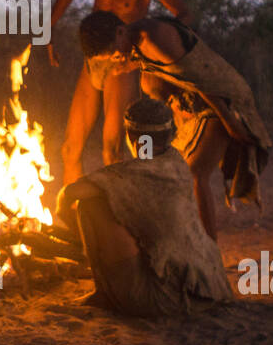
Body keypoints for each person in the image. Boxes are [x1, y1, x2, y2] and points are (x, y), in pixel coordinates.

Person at [78, 10, 272, 240]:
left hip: (220, 100)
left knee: (195, 173)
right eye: (109, 57)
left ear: (120, 31)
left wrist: (230, 123)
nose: (116, 58)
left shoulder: (155, 39)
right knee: (169, 171)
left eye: (113, 52)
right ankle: (180, 238)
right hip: (189, 106)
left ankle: (210, 252)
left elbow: (203, 81)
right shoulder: (134, 47)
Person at [54, 97, 233, 318]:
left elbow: (69, 194)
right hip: (209, 287)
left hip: (166, 299)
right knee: (113, 203)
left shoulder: (135, 172)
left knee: (90, 206)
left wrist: (66, 217)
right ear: (169, 135)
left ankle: (103, 293)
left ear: (130, 136)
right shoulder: (176, 161)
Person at [46, 0, 190, 184]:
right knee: (69, 148)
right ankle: (68, 218)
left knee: (111, 150)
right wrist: (46, 34)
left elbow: (184, 14)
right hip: (94, 62)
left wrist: (150, 54)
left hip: (123, 62)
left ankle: (120, 216)